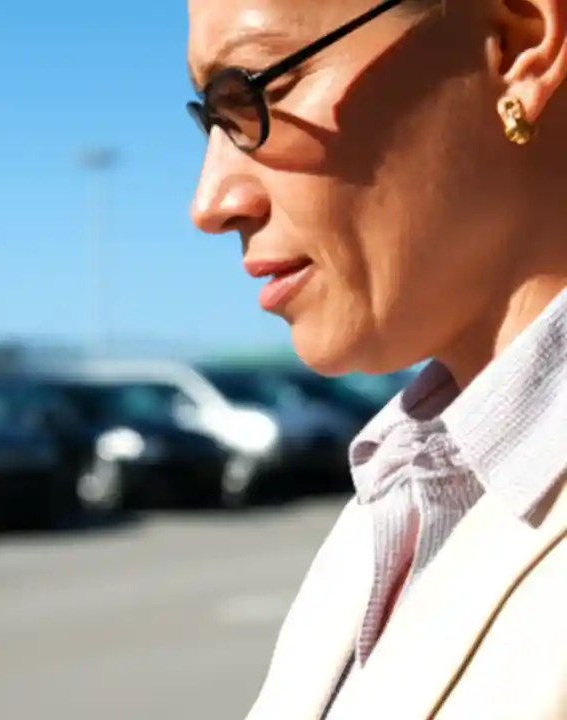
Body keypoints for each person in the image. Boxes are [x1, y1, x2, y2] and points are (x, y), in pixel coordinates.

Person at [185, 0, 567, 718]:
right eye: (211, 118)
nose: (211, 203)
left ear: (520, 47)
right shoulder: (394, 494)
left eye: (259, 88)